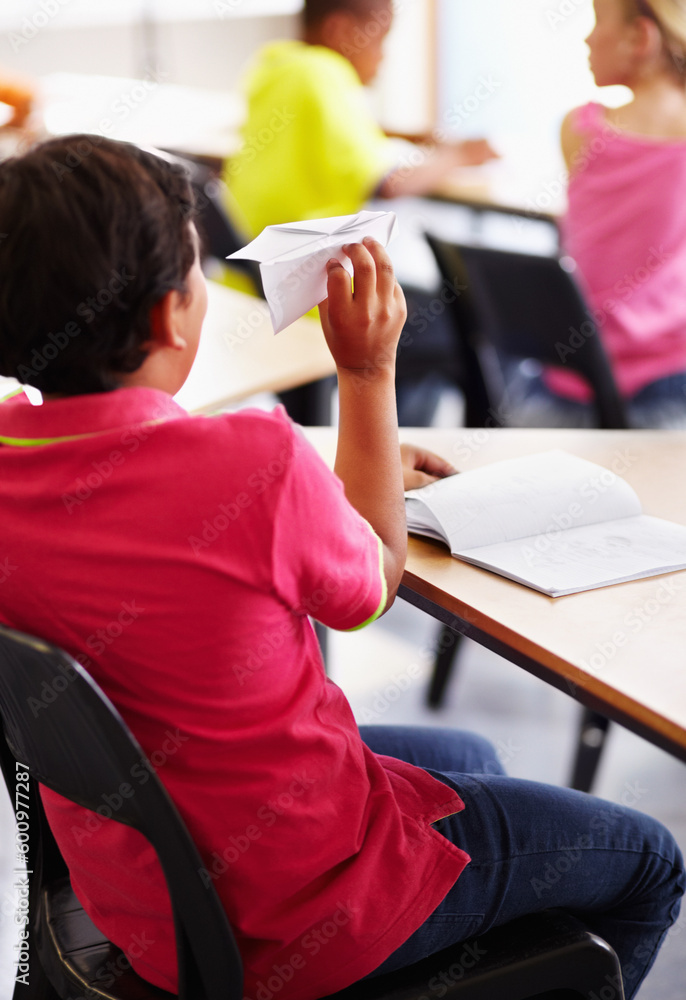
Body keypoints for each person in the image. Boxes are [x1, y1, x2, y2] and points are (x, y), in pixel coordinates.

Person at [0, 135, 682, 1000]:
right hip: (304, 913)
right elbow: (371, 586)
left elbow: (160, 525)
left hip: (147, 901)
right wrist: (366, 370)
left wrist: (324, 485)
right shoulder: (253, 463)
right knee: (652, 861)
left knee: (472, 753)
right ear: (173, 314)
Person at [223, 0, 499, 425]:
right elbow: (389, 182)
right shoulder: (325, 73)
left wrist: (408, 134)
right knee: (460, 324)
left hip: (258, 280)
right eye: (379, 40)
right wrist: (460, 155)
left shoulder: (275, 65)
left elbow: (329, 132)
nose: (383, 57)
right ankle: (390, 447)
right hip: (317, 292)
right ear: (339, 30)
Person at [513, 0, 686, 429]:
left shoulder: (579, 129)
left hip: (569, 377)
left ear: (641, 37)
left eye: (597, 21)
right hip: (669, 388)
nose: (587, 38)